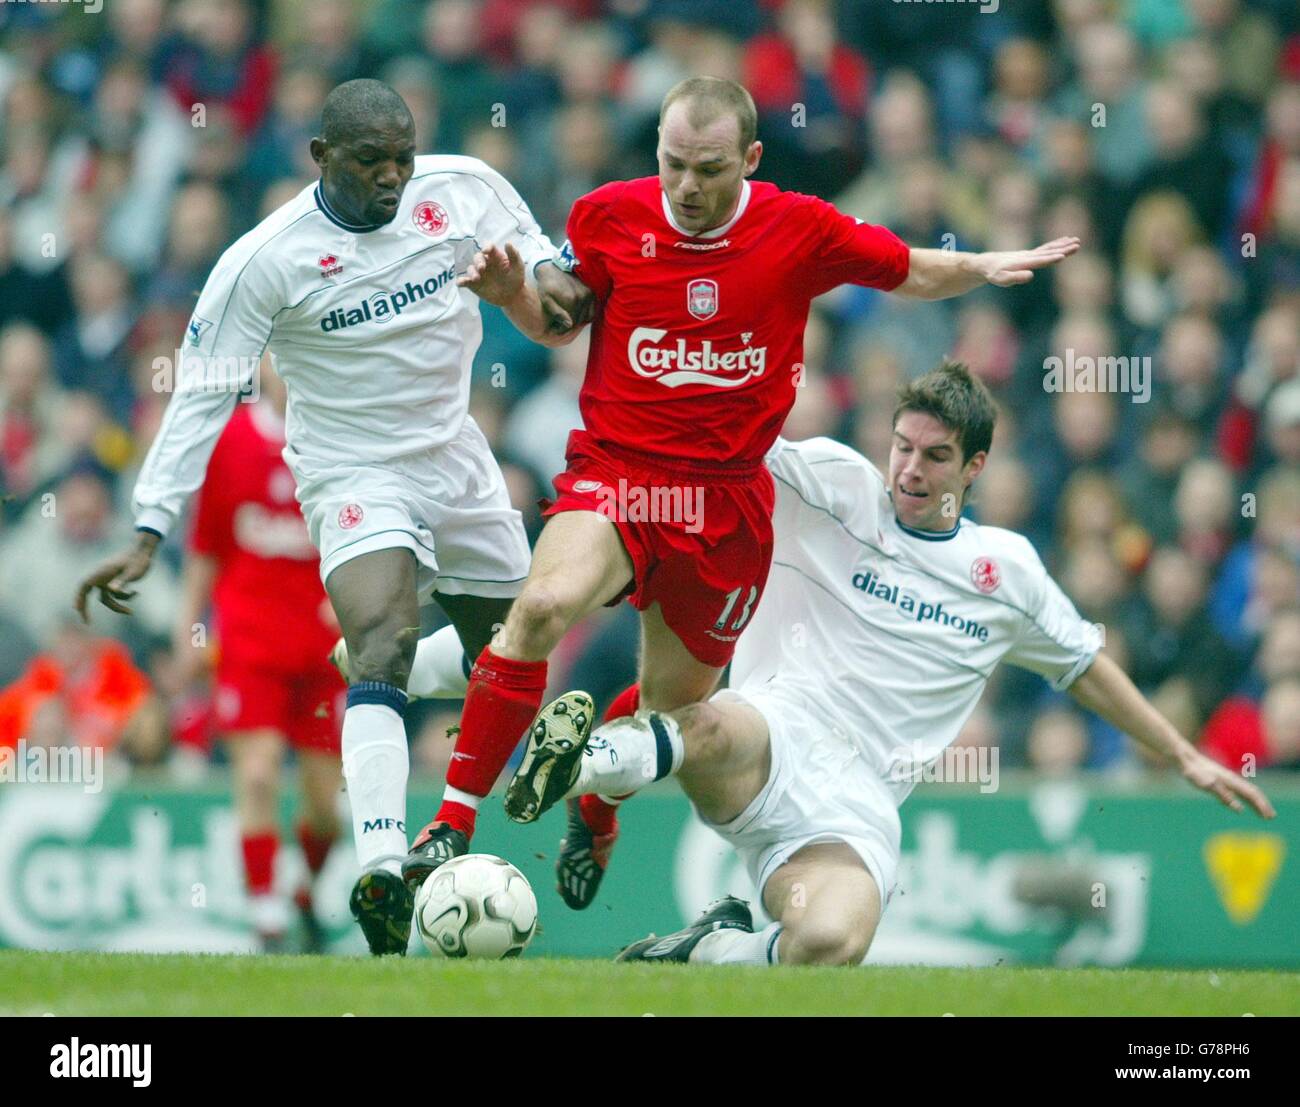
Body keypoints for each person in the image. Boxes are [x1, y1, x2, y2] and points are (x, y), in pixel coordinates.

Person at [400, 76, 1081, 897]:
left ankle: (598, 809)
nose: (687, 186)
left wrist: (983, 264)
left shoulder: (798, 228)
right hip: (620, 476)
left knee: (668, 717)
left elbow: (907, 270)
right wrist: (512, 292)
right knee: (542, 609)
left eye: (710, 169)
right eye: (673, 164)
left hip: (724, 506)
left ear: (750, 159)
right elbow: (560, 319)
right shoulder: (609, 215)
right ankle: (449, 825)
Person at [503, 362, 1275, 965]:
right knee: (711, 726)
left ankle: (710, 945)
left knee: (830, 942)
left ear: (974, 466)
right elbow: (722, 440)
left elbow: (1084, 664)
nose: (909, 470)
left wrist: (1182, 754)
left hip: (855, 806)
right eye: (903, 447)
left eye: (935, 457)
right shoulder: (833, 485)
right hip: (772, 726)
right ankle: (573, 767)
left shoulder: (1004, 573)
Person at [74, 79, 589, 957]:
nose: (392, 178)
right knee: (381, 634)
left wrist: (527, 292)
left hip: (456, 454)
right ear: (320, 158)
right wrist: (150, 524)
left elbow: (560, 306)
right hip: (352, 468)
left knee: (515, 656)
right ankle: (382, 862)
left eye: (402, 158)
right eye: (369, 162)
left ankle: (420, 668)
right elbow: (202, 394)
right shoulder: (265, 259)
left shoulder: (465, 189)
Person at [173, 359, 343, 952]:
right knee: (257, 770)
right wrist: (187, 629)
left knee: (328, 808)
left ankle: (302, 893)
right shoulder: (233, 440)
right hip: (249, 642)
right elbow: (206, 547)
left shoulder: (339, 436)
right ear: (265, 361)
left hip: (326, 651)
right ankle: (266, 916)